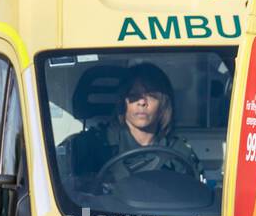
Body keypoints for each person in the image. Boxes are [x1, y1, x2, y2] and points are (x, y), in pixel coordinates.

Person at [71, 63, 204, 185]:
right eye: (134, 95)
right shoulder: (97, 143)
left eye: (151, 96)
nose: (142, 102)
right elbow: (81, 198)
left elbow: (193, 197)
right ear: (123, 102)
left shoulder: (179, 152)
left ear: (163, 104)